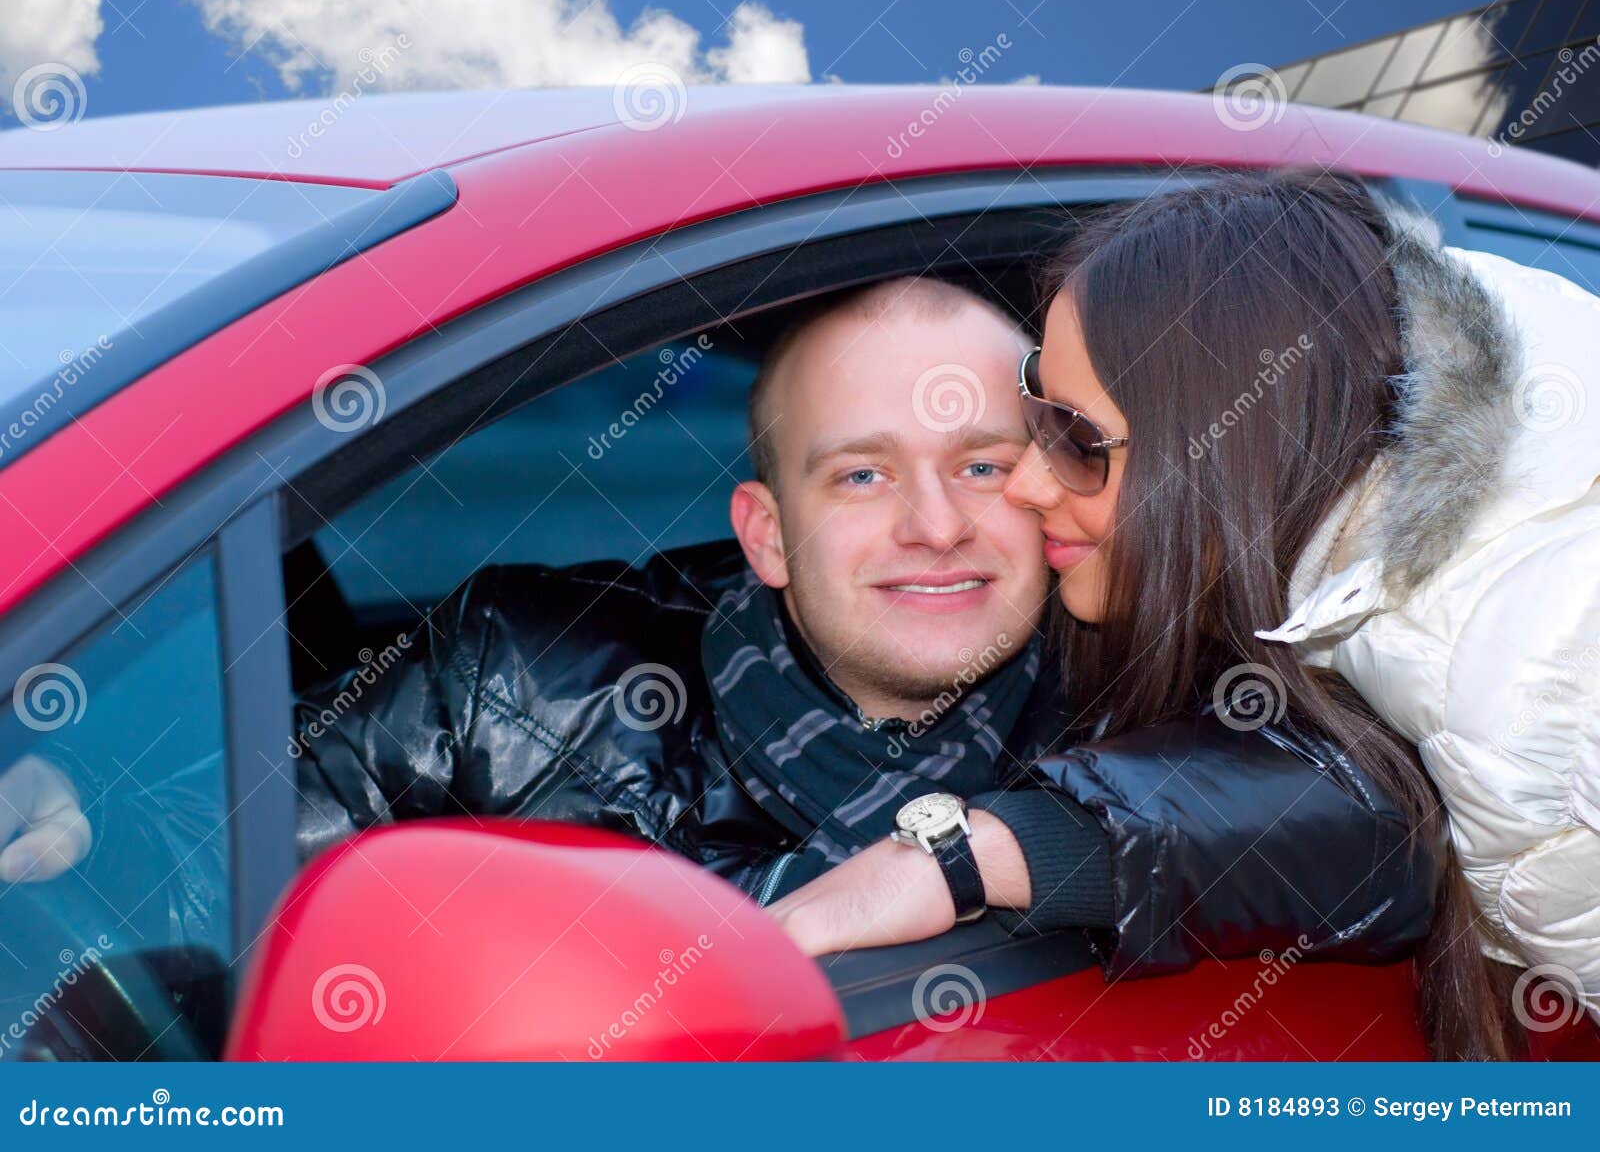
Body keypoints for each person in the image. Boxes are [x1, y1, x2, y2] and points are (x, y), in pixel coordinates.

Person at [1, 276, 1431, 992]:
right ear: (764, 531)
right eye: (861, 474)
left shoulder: (1146, 672)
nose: (936, 525)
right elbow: (211, 864)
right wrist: (82, 816)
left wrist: (976, 851)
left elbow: (1398, 819)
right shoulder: (523, 672)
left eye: (986, 465)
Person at [980, 166, 1594, 1059]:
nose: (1025, 482)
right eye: (1037, 405)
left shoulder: (1555, 658)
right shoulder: (1370, 609)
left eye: (1079, 440)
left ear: (1234, 451)